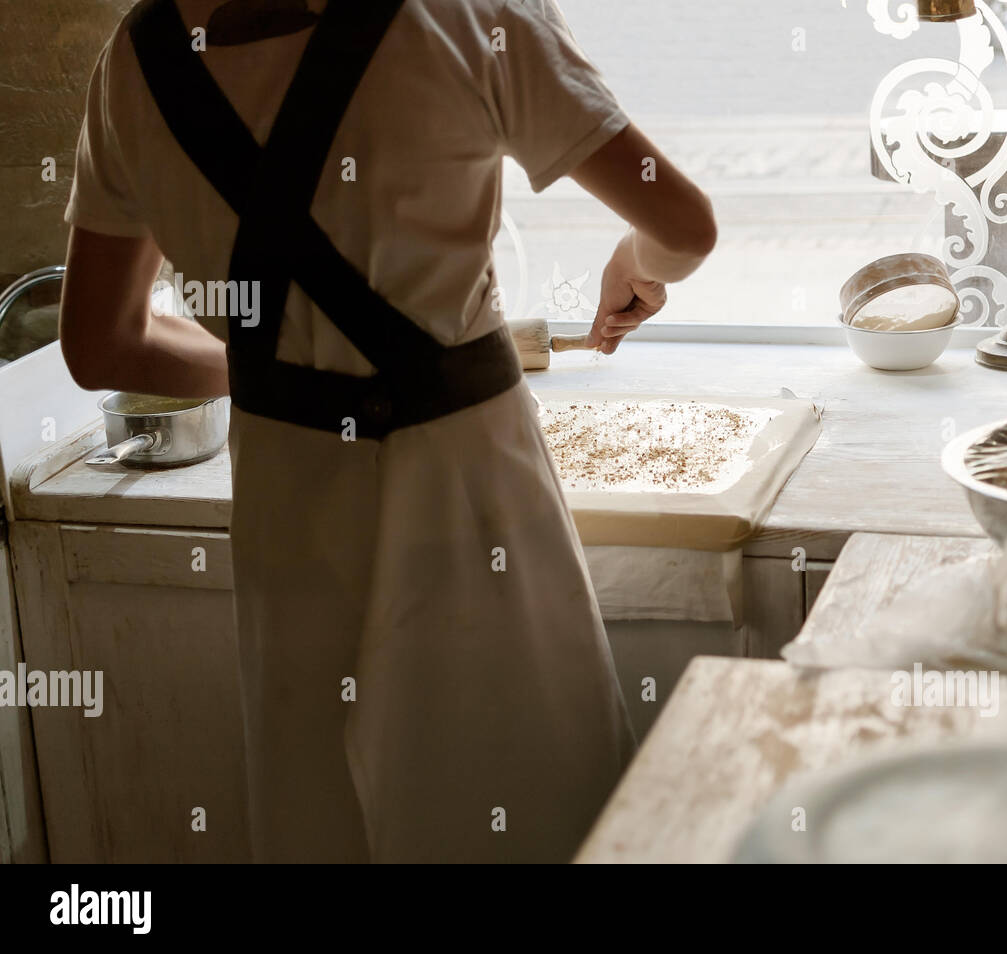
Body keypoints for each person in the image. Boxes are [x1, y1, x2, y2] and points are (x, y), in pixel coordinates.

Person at [58, 0, 716, 862]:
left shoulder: (137, 59)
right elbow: (685, 225)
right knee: (525, 792)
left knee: (321, 806)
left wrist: (286, 372)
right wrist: (637, 267)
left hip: (288, 501)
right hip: (469, 485)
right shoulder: (468, 14)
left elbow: (103, 340)